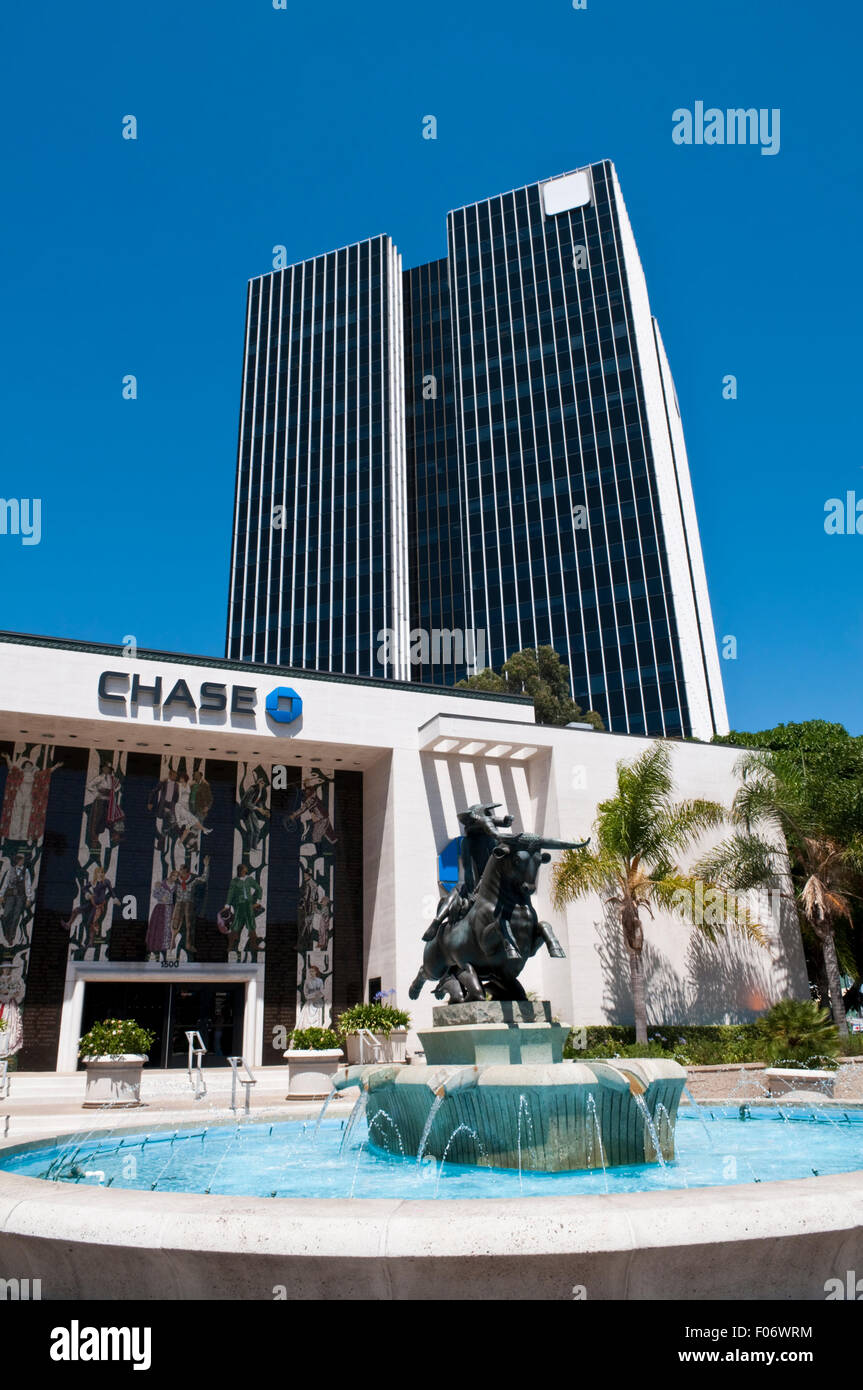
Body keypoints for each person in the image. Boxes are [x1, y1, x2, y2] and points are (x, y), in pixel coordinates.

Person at [170, 858, 210, 957]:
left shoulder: (192, 879)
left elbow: (204, 878)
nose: (180, 872)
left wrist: (206, 866)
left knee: (189, 925)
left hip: (189, 904)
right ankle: (172, 942)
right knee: (175, 922)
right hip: (179, 903)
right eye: (179, 870)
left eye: (182, 870)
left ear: (186, 871)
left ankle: (189, 944)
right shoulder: (177, 880)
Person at [225, 863, 263, 955]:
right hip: (239, 905)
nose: (246, 871)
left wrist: (258, 901)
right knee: (236, 925)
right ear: (241, 871)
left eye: (246, 870)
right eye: (244, 870)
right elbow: (231, 893)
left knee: (251, 924)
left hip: (248, 905)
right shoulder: (234, 881)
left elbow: (259, 888)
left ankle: (253, 945)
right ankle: (230, 946)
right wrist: (227, 904)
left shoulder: (249, 879)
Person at [0, 854, 33, 948]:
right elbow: (5, 883)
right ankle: (6, 933)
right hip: (10, 896)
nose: (22, 861)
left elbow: (28, 885)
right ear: (17, 861)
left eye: (22, 860)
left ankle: (11, 936)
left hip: (20, 896)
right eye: (20, 860)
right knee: (6, 915)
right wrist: (1, 895)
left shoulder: (25, 871)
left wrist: (28, 898)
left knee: (16, 916)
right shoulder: (10, 871)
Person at [146, 871, 178, 955]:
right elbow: (155, 894)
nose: (175, 878)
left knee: (168, 928)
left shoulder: (175, 886)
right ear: (171, 875)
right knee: (159, 928)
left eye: (176, 877)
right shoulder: (162, 884)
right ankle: (156, 949)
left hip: (170, 908)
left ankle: (165, 947)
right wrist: (161, 897)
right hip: (161, 908)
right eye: (174, 876)